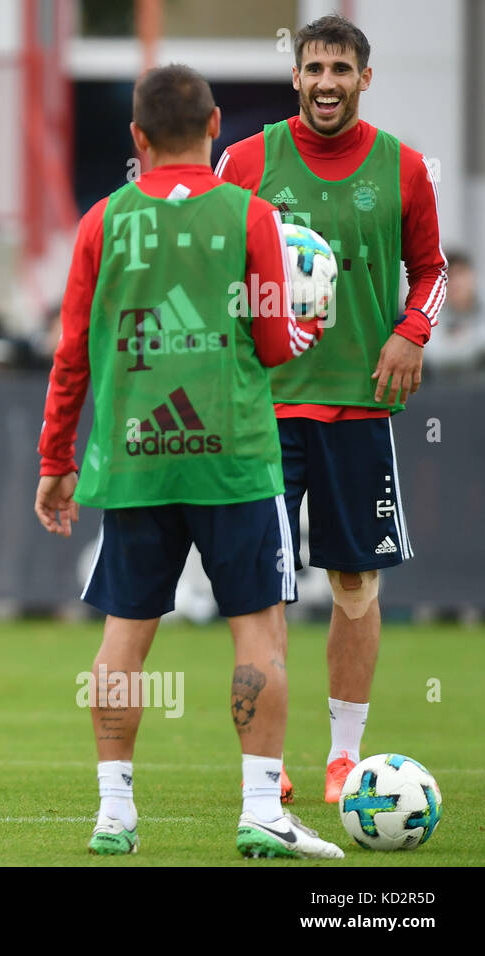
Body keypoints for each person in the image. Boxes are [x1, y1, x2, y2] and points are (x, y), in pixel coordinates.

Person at [35, 64, 342, 859]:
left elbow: (71, 353)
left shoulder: (101, 222)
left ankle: (113, 812)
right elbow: (275, 344)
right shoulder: (251, 215)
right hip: (233, 457)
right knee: (260, 633)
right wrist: (303, 329)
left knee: (124, 636)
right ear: (216, 127)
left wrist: (55, 460)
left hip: (136, 459)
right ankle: (260, 808)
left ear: (136, 138)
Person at [216, 14, 446, 803]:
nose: (325, 82)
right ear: (296, 77)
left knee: (356, 586)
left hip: (361, 406)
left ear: (363, 79)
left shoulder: (406, 168)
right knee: (266, 589)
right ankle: (268, 763)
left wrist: (411, 333)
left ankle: (344, 757)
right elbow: (215, 268)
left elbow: (432, 269)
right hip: (266, 412)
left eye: (341, 70)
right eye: (314, 68)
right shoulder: (245, 161)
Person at [422, 251, 484, 375]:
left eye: (460, 274)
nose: (455, 283)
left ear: (472, 275)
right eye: (448, 277)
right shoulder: (431, 314)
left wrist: (457, 342)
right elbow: (434, 357)